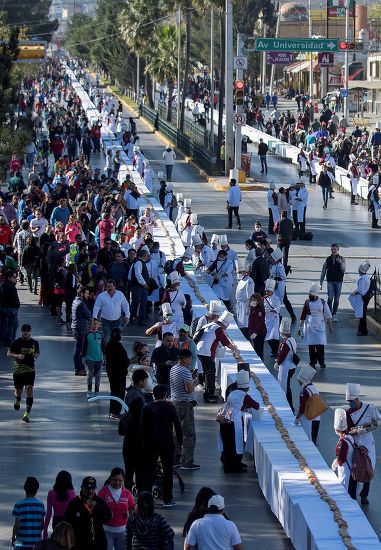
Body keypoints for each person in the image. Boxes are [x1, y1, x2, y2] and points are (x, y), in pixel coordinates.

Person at [141, 384, 183, 506]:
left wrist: (144, 443)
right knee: (168, 470)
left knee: (149, 470)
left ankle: (147, 498)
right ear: (166, 395)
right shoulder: (170, 407)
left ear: (153, 394)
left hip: (150, 443)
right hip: (167, 443)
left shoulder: (147, 408)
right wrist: (180, 443)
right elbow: (178, 426)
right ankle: (167, 498)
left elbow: (143, 427)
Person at [345, 383, 381, 504]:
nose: (350, 403)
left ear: (356, 399)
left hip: (368, 442)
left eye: (351, 400)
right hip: (355, 443)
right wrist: (356, 431)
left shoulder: (369, 408)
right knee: (354, 467)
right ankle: (352, 495)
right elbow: (348, 430)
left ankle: (364, 494)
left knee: (368, 467)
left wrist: (369, 427)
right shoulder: (348, 412)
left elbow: (378, 421)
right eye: (348, 401)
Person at [219, 371, 259, 473]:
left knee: (227, 443)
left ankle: (227, 462)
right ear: (247, 388)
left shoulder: (232, 392)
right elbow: (256, 405)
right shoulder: (244, 395)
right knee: (236, 443)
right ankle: (234, 465)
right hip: (235, 421)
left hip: (226, 419)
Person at [196, 311, 239, 403]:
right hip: (206, 352)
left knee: (208, 373)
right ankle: (209, 395)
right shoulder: (218, 329)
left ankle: (208, 393)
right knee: (210, 374)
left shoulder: (210, 325)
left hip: (200, 351)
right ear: (225, 325)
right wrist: (235, 349)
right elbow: (225, 342)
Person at [170, 349, 199, 471]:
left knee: (176, 433)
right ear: (184, 359)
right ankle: (187, 462)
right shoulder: (185, 371)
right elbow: (189, 389)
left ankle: (174, 459)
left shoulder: (173, 369)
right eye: (189, 359)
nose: (191, 361)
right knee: (189, 433)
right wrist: (195, 382)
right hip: (185, 404)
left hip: (175, 402)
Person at [119, 369, 148, 491]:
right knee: (139, 471)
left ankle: (128, 495)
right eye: (146, 380)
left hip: (128, 443)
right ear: (140, 381)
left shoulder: (126, 416)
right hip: (137, 444)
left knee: (129, 471)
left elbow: (120, 431)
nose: (147, 383)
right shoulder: (136, 396)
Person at [64, 476, 112, 550]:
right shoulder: (74, 503)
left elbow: (108, 517)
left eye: (93, 489)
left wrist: (96, 506)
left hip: (98, 544)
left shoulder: (99, 502)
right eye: (88, 489)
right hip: (79, 544)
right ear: (82, 488)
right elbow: (67, 523)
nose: (91, 491)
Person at [7, 323, 40, 423]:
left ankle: (27, 413)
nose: (26, 332)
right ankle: (17, 399)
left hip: (30, 369)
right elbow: (8, 353)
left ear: (30, 332)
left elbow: (38, 354)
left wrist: (35, 355)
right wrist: (17, 356)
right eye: (24, 331)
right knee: (18, 391)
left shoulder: (35, 343)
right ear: (21, 332)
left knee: (29, 389)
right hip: (18, 369)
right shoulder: (16, 342)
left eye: (28, 331)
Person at [97, 468, 136, 550]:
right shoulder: (102, 492)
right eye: (115, 480)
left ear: (123, 480)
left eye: (120, 480)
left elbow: (133, 508)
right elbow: (96, 510)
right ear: (110, 478)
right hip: (106, 532)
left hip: (122, 533)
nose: (117, 483)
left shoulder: (127, 493)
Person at [298, 283, 333, 369]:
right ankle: (312, 362)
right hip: (310, 326)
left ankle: (321, 361)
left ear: (316, 295)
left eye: (312, 295)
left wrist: (330, 326)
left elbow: (328, 315)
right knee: (311, 345)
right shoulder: (306, 302)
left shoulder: (322, 302)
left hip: (320, 325)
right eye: (309, 295)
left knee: (320, 345)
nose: (310, 296)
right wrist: (300, 327)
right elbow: (302, 316)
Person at [12, 476, 45, 550]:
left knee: (16, 546)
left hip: (20, 541)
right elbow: (42, 525)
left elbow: (17, 525)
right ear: (36, 490)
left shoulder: (19, 505)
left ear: (25, 489)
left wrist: (13, 537)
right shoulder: (41, 505)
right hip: (36, 543)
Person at [93, 279, 130, 344]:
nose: (109, 288)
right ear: (106, 287)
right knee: (107, 339)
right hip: (106, 321)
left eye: (111, 286)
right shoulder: (101, 296)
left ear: (114, 286)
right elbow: (96, 307)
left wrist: (127, 316)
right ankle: (107, 353)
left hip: (117, 321)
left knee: (116, 339)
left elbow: (125, 305)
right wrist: (95, 318)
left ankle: (114, 353)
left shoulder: (120, 294)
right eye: (108, 287)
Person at [331, 408, 356, 499]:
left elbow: (341, 460)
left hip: (346, 471)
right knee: (352, 493)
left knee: (345, 494)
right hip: (352, 469)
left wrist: (335, 462)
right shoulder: (349, 437)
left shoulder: (342, 442)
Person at [43, 471, 76, 539]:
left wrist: (45, 531)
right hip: (69, 522)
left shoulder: (51, 493)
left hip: (56, 523)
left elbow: (49, 514)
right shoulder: (72, 493)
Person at [105, 328, 130, 419]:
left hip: (112, 373)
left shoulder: (109, 345)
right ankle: (115, 411)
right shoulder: (118, 346)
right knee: (119, 393)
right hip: (119, 374)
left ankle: (112, 411)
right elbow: (124, 359)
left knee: (114, 392)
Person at [274, 318, 297, 412]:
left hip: (287, 367)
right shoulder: (292, 339)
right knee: (287, 386)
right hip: (292, 366)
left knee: (285, 387)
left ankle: (289, 406)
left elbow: (282, 355)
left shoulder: (285, 343)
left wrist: (277, 363)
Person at [294, 366, 321, 444]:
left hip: (309, 418)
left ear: (302, 380)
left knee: (308, 440)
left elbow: (302, 408)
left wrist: (297, 419)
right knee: (314, 438)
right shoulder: (313, 387)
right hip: (317, 417)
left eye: (299, 380)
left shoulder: (304, 391)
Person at [319, 243, 346, 321]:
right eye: (332, 249)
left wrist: (340, 263)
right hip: (330, 281)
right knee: (330, 298)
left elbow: (344, 270)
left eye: (335, 249)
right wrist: (321, 282)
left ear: (338, 249)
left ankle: (334, 314)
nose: (333, 251)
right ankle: (329, 314)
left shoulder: (342, 258)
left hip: (338, 281)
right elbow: (323, 271)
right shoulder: (328, 259)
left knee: (336, 299)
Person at [82, 318, 106, 398]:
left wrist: (105, 356)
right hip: (89, 358)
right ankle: (89, 390)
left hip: (99, 358)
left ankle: (96, 390)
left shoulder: (100, 334)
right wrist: (83, 356)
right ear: (90, 325)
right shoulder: (87, 334)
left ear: (99, 325)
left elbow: (103, 346)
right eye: (93, 324)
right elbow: (84, 346)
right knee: (89, 374)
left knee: (98, 376)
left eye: (96, 324)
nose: (94, 326)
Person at [71, 287, 91, 376]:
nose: (88, 295)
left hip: (76, 328)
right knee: (78, 350)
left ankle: (80, 367)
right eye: (87, 293)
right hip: (80, 328)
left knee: (79, 349)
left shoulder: (75, 301)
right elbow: (88, 314)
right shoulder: (81, 304)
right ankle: (78, 368)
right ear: (82, 294)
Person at [348, 260, 371, 336]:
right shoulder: (366, 277)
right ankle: (363, 330)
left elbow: (360, 290)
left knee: (362, 314)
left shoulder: (362, 279)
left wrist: (354, 293)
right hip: (366, 297)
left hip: (362, 297)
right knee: (363, 314)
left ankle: (362, 330)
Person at [128, 247, 150, 326]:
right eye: (147, 255)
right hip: (138, 287)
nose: (148, 257)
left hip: (141, 287)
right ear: (144, 255)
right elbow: (138, 274)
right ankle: (131, 318)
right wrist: (143, 283)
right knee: (135, 302)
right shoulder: (138, 263)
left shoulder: (140, 262)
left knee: (143, 303)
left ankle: (141, 319)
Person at [235, 261, 254, 339]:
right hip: (240, 305)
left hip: (245, 305)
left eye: (240, 272)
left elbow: (250, 296)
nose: (239, 274)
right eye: (238, 272)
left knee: (245, 324)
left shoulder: (249, 281)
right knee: (241, 323)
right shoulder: (241, 280)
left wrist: (249, 308)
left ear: (244, 272)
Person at [0, 270, 20, 345]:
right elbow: (13, 298)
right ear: (9, 278)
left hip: (4, 307)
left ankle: (5, 339)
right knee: (13, 325)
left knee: (5, 324)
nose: (15, 278)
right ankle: (10, 340)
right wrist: (17, 305)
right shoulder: (10, 286)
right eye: (13, 277)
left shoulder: (3, 284)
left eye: (16, 277)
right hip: (11, 308)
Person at [263, 279, 281, 357]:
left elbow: (277, 309)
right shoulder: (264, 299)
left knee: (274, 335)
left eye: (268, 291)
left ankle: (276, 350)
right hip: (267, 319)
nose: (267, 292)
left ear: (272, 291)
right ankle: (273, 350)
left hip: (274, 319)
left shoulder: (276, 299)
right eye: (266, 291)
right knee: (268, 335)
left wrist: (268, 310)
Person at [247, 293, 266, 360]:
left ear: (258, 301)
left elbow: (259, 323)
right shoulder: (253, 308)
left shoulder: (259, 310)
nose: (253, 301)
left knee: (259, 350)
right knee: (256, 348)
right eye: (252, 300)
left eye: (254, 300)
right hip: (254, 331)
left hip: (259, 333)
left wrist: (255, 332)